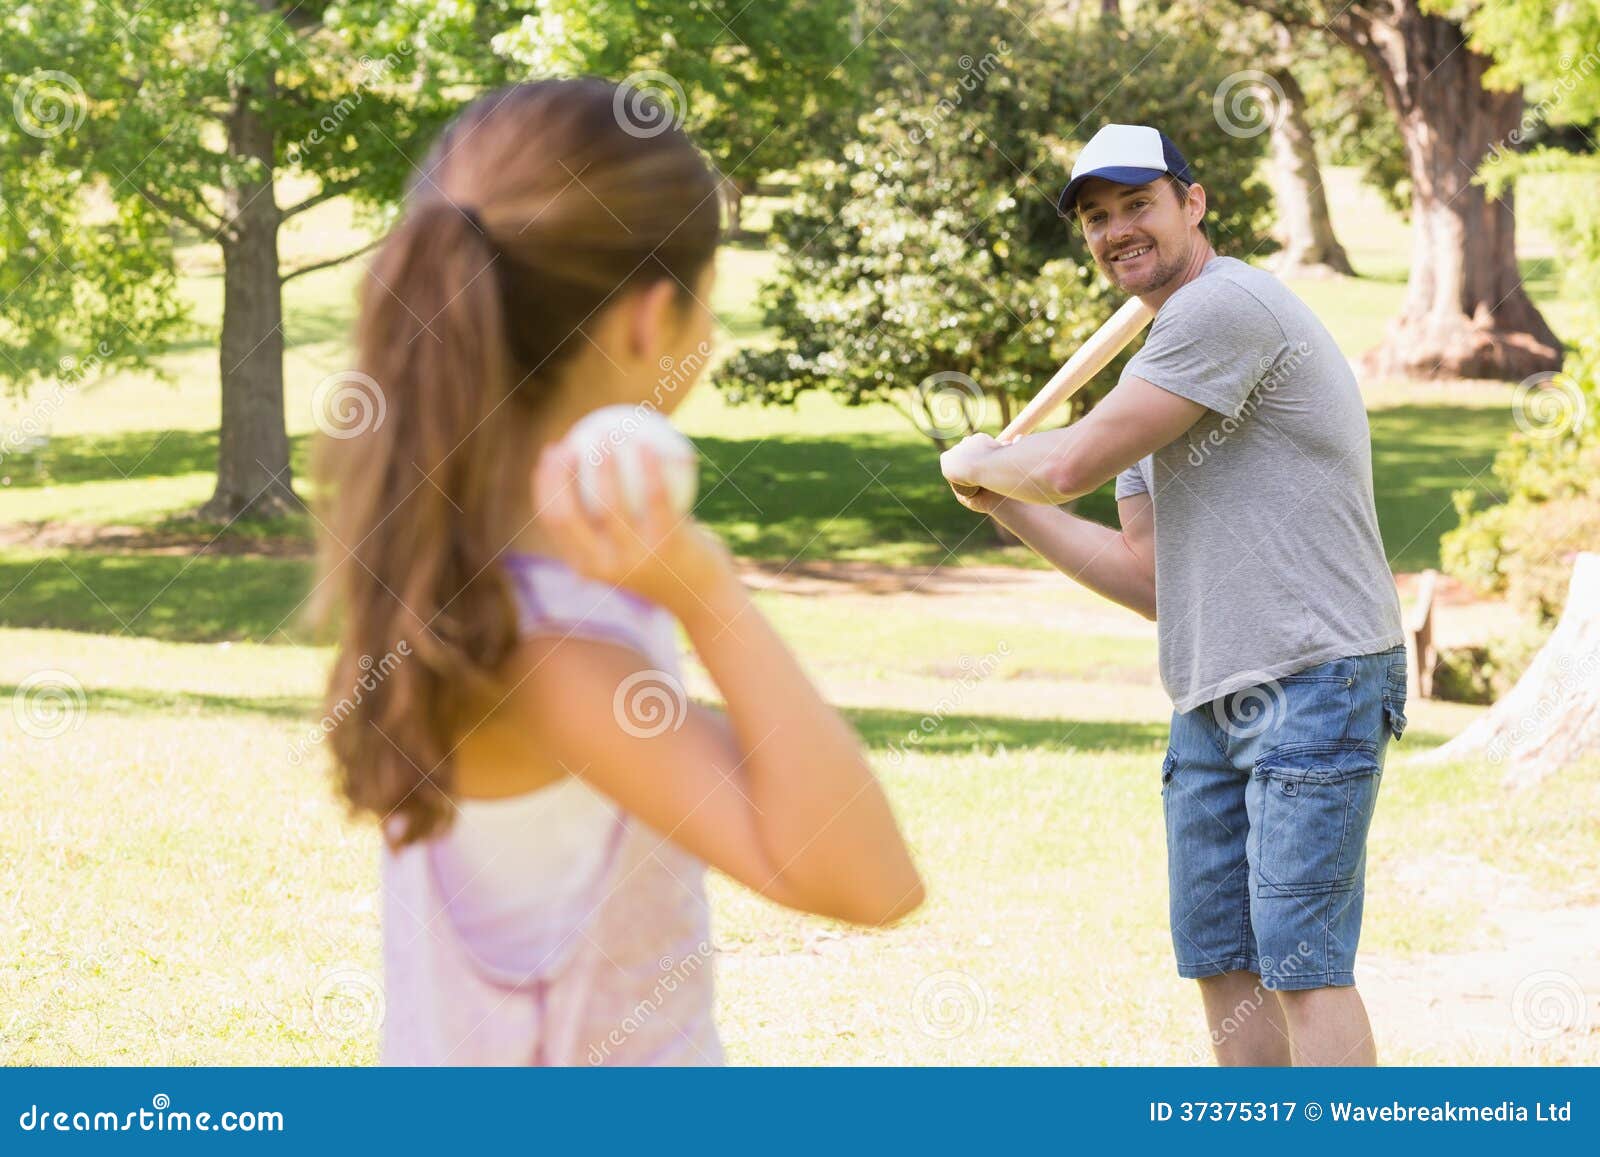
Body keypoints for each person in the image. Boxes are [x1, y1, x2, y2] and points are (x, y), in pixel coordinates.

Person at [314, 78, 923, 1066]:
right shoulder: (547, 656)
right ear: (651, 323)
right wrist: (706, 594)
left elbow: (755, 777)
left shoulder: (480, 594)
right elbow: (869, 878)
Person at [939, 123, 1407, 1066]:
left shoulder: (1222, 310)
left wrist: (1000, 458)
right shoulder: (1158, 368)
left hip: (1316, 677)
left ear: (1193, 204)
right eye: (1097, 217)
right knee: (1224, 965)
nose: (1117, 230)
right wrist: (999, 498)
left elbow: (1068, 460)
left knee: (1303, 964)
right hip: (1209, 691)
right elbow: (1148, 576)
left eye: (1138, 204)